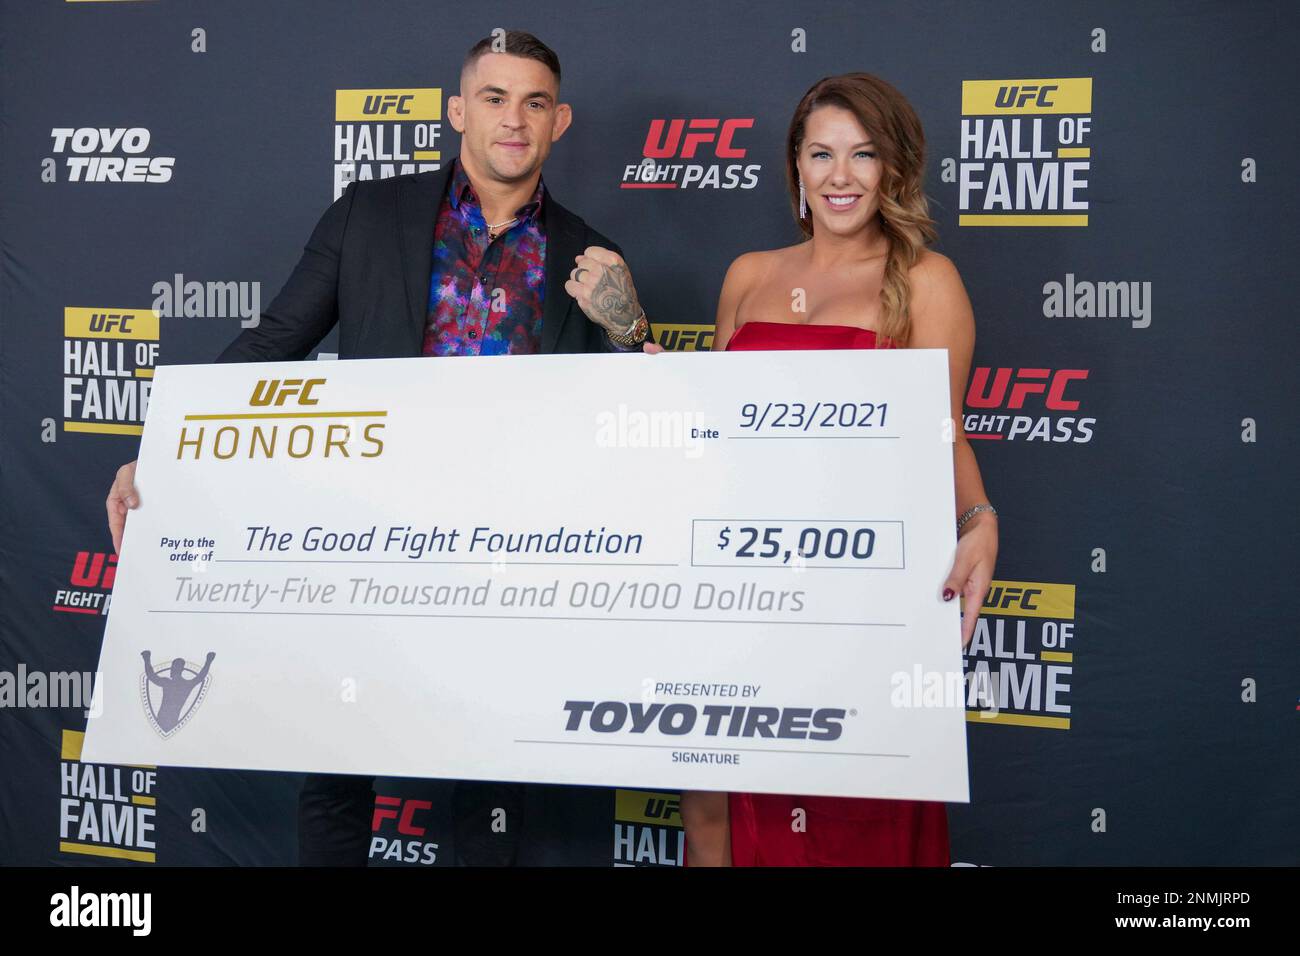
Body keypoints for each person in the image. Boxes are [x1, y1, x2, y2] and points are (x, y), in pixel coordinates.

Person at [104, 30, 652, 866]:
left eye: (535, 103)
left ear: (560, 120)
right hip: (366, 540)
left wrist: (630, 334)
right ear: (458, 110)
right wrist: (165, 453)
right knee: (336, 773)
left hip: (508, 556)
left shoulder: (588, 253)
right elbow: (271, 345)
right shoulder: (371, 213)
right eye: (496, 98)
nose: (515, 120)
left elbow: (629, 417)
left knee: (498, 782)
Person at [678, 73, 998, 867]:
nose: (840, 176)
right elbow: (720, 434)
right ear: (796, 167)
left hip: (860, 599)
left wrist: (979, 518)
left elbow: (942, 433)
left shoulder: (927, 280)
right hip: (736, 588)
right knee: (717, 800)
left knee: (852, 812)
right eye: (821, 153)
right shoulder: (748, 274)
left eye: (863, 155)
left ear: (895, 168)